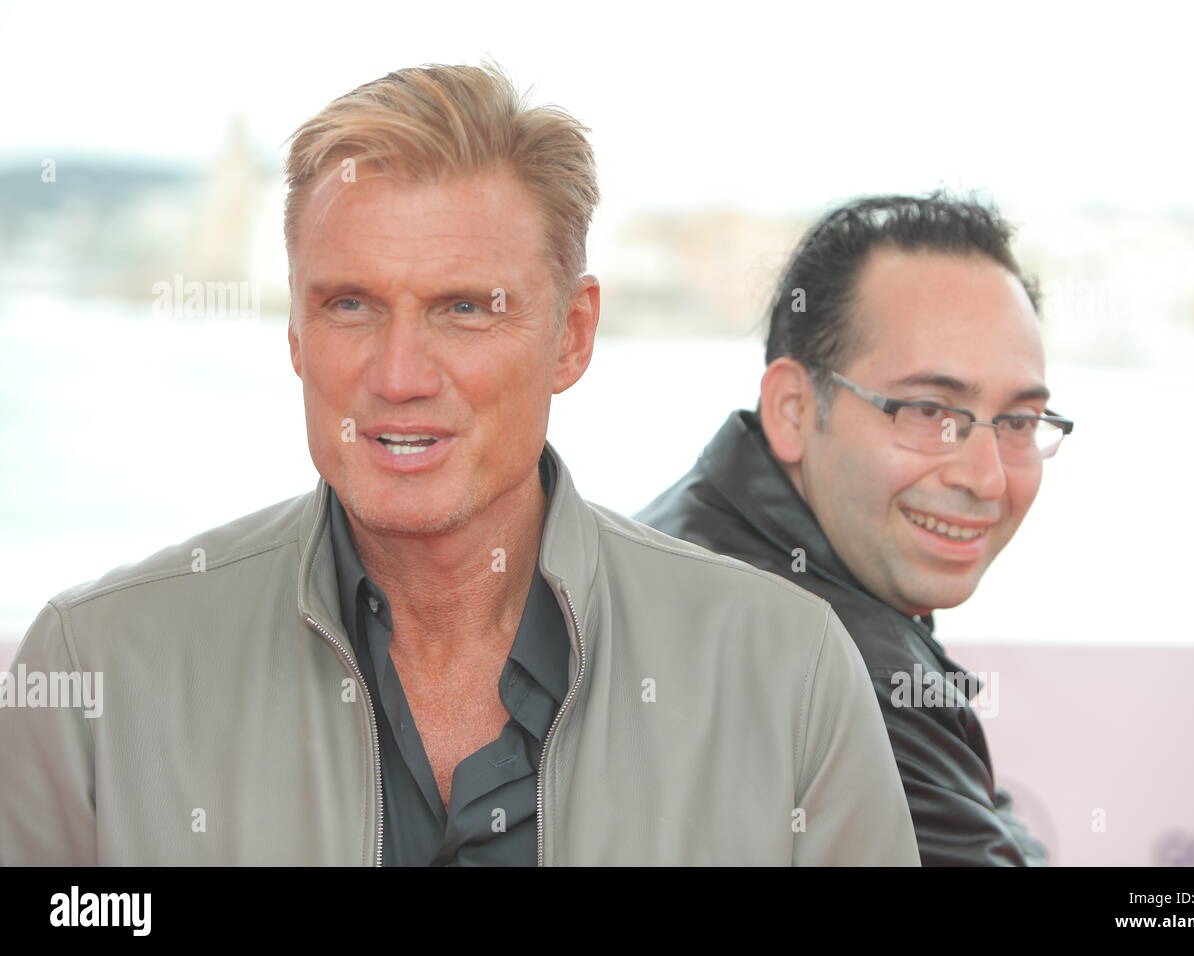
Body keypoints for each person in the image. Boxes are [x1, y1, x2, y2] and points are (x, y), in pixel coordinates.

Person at [0, 64, 919, 866]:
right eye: (351, 305)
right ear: (294, 329)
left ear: (574, 334)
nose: (399, 376)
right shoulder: (94, 675)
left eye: (464, 310)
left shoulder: (786, 675)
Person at [639, 193, 1072, 865]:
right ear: (792, 408)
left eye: (1017, 422)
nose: (986, 478)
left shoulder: (688, 532)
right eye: (929, 411)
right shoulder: (841, 671)